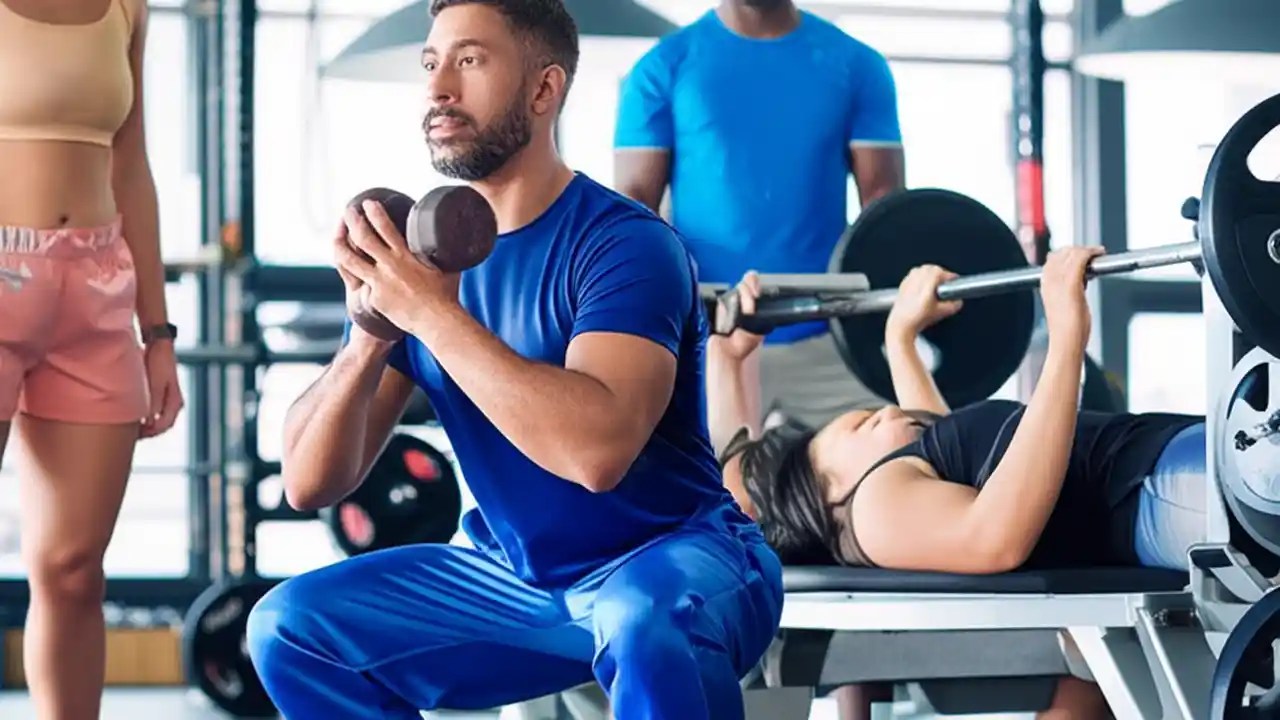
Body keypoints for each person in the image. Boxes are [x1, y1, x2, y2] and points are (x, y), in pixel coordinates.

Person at [245, 1, 783, 718]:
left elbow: (597, 454)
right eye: (431, 63)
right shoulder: (422, 269)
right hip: (514, 580)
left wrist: (430, 311)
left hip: (676, 562)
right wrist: (374, 327)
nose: (439, 88)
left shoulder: (625, 245)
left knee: (645, 620)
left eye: (470, 61)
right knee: (292, 628)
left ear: (543, 90)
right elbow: (310, 482)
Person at [707, 251, 1215, 719]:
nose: (883, 411)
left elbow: (945, 439)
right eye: (861, 424)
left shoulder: (904, 483)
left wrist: (900, 338)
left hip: (1166, 464)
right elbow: (995, 537)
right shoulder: (873, 512)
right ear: (836, 493)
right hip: (1154, 490)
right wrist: (1066, 336)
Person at [0, 1, 184, 718]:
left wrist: (158, 333)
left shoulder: (128, 7)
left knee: (73, 572)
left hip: (98, 290)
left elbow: (132, 168)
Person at [614, 0, 906, 429]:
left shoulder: (857, 64)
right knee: (704, 490)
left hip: (828, 337)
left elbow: (883, 204)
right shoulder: (663, 67)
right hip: (707, 337)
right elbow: (635, 205)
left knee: (892, 465)